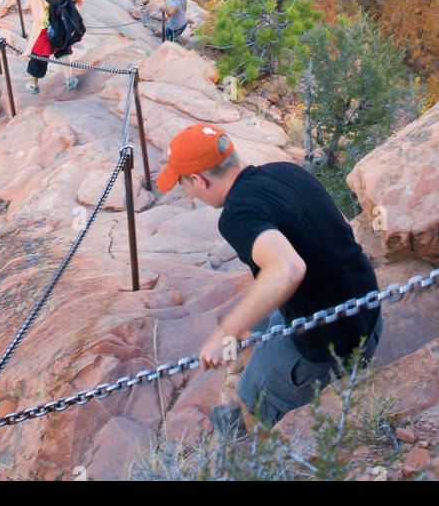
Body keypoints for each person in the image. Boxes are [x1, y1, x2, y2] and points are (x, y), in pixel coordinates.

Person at [157, 124, 382, 432]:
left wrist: (225, 331)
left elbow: (288, 269)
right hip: (369, 312)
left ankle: (249, 431)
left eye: (185, 185)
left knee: (251, 388)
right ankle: (259, 375)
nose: (189, 193)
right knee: (253, 330)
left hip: (331, 347)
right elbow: (341, 223)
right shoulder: (287, 171)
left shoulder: (237, 215)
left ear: (198, 179)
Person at [24, 0, 86, 94]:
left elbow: (38, 22)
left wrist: (28, 48)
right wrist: (76, 6)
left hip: (46, 33)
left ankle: (33, 86)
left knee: (38, 58)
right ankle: (69, 79)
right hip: (64, 27)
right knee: (63, 49)